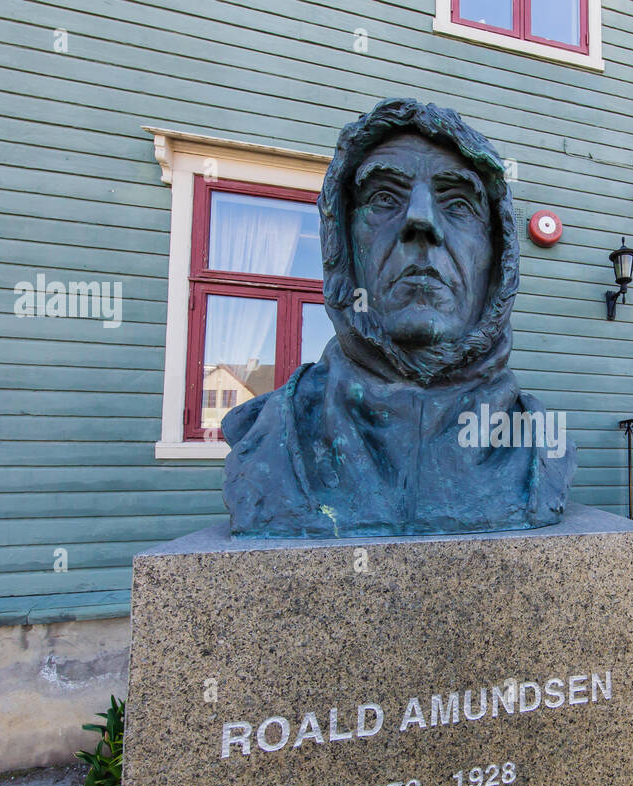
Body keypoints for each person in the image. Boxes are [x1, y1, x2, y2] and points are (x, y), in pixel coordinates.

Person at [221, 98, 576, 537]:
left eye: (459, 203)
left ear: (497, 259)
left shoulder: (537, 444)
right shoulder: (272, 439)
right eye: (384, 197)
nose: (420, 220)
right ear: (343, 245)